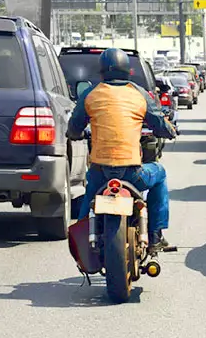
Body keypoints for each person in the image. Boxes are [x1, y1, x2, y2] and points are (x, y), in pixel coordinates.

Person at [67, 48, 177, 252]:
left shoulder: (90, 95)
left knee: (89, 195)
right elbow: (160, 124)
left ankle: (81, 239)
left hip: (101, 173)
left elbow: (74, 127)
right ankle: (155, 235)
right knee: (159, 174)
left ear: (101, 71)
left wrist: (74, 134)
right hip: (133, 174)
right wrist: (170, 130)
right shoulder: (139, 94)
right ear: (128, 70)